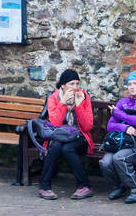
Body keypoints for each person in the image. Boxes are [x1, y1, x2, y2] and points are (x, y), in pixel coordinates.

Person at [99, 70, 136, 204]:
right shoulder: (123, 102)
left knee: (120, 158)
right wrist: (125, 127)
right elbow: (110, 126)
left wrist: (118, 113)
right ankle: (118, 186)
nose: (131, 87)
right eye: (129, 84)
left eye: (135, 83)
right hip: (122, 141)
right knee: (105, 162)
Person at [38, 68, 95, 201]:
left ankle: (85, 186)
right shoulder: (53, 98)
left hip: (79, 136)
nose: (75, 87)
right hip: (59, 135)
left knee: (68, 149)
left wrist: (79, 106)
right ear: (63, 85)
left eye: (77, 84)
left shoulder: (83, 96)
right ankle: (44, 187)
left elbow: (87, 127)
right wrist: (62, 103)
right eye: (71, 84)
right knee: (55, 146)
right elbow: (55, 123)